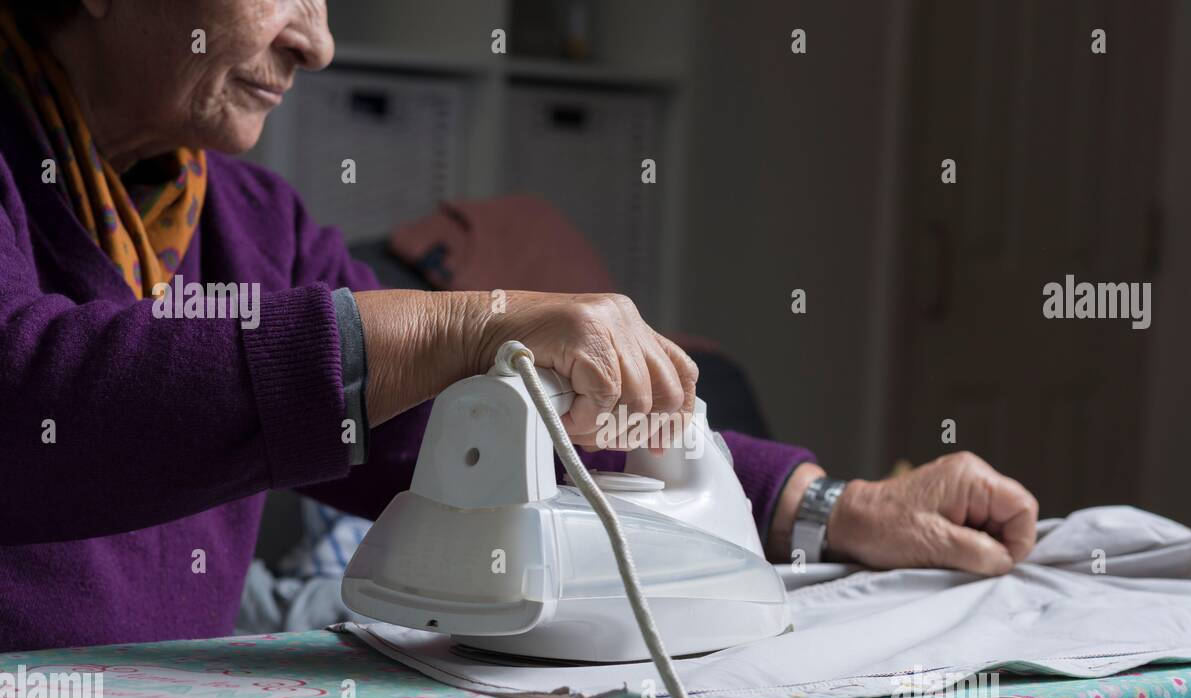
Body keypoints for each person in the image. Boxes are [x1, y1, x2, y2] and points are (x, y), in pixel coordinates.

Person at [0, 0, 1038, 653]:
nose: (314, 40)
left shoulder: (251, 224)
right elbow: (32, 395)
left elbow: (449, 428)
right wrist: (457, 322)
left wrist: (826, 507)